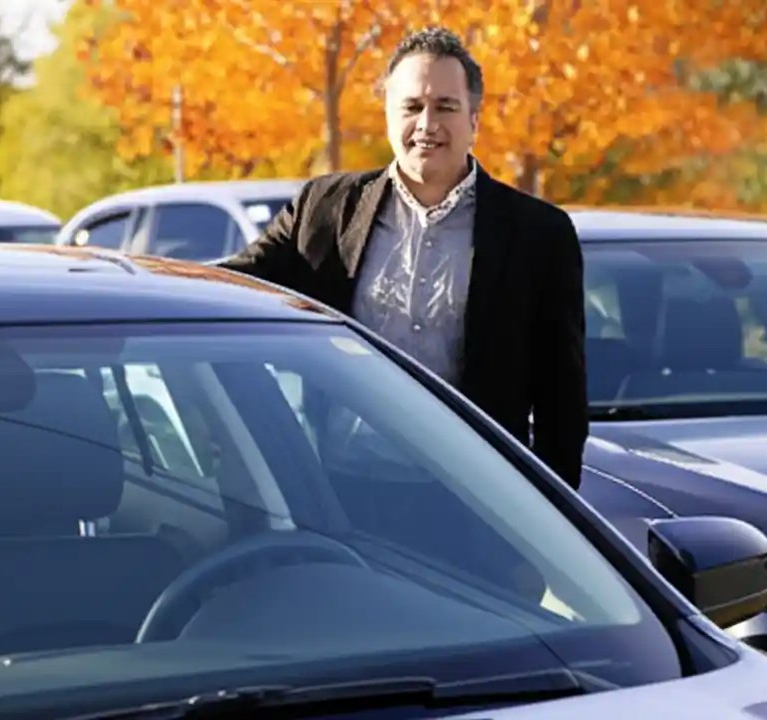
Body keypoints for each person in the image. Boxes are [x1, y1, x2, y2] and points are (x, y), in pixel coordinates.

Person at [217, 26, 588, 490]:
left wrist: (554, 532)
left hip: (481, 501)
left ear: (474, 119)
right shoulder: (324, 211)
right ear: (388, 116)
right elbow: (228, 288)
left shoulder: (539, 235)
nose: (427, 124)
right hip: (341, 489)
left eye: (445, 107)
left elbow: (562, 403)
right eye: (411, 107)